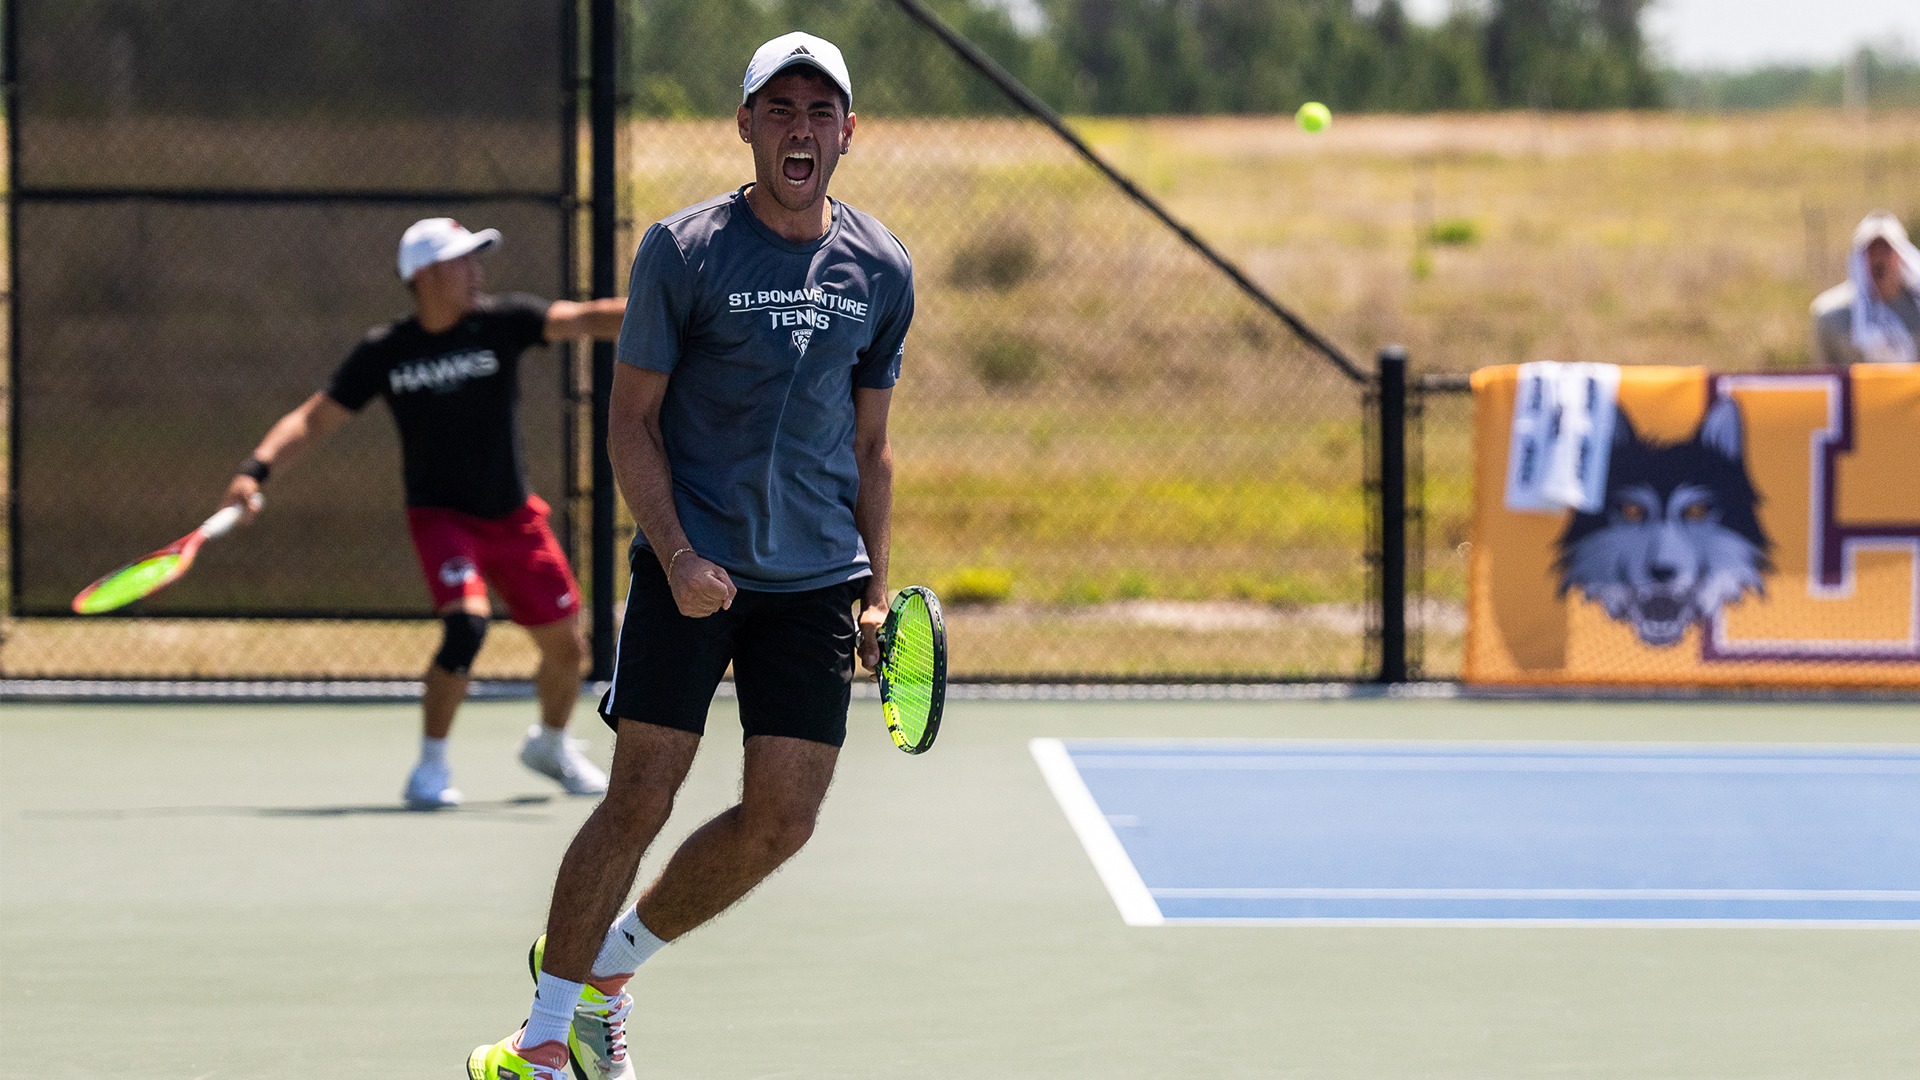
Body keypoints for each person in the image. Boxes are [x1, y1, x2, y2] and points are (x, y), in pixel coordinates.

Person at [467, 31, 913, 1080]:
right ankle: (537, 1043)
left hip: (815, 586)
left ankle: (605, 975)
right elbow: (632, 422)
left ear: (846, 131)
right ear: (747, 122)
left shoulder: (882, 267)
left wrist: (877, 593)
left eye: (820, 112)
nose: (800, 129)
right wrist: (675, 554)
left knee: (784, 820)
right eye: (781, 108)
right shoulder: (685, 249)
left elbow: (873, 445)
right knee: (640, 798)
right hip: (690, 575)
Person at [220, 218, 625, 809]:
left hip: (514, 518)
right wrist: (254, 471)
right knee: (466, 626)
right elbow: (311, 420)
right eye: (464, 261)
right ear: (428, 275)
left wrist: (675, 305)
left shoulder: (502, 322)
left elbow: (585, 318)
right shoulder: (387, 351)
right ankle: (430, 765)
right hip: (443, 520)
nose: (476, 271)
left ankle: (552, 745)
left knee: (568, 649)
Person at [1811, 210, 1920, 366]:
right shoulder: (1831, 318)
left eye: (1886, 249)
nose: (1878, 257)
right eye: (1871, 250)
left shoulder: (1915, 310)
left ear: (1901, 256)